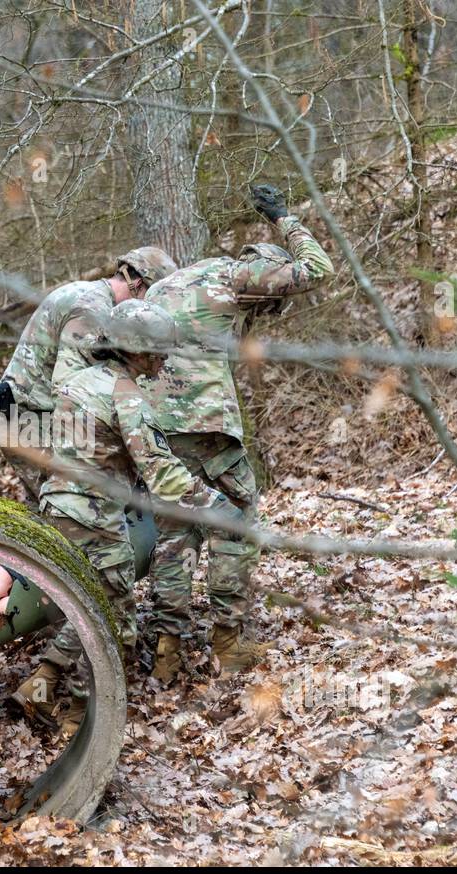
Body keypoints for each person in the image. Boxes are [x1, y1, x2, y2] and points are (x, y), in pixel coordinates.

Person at [10, 299, 242, 736]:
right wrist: (215, 504)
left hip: (56, 507)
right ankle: (79, 721)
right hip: (95, 519)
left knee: (84, 607)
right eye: (159, 350)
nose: (165, 358)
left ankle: (42, 685)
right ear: (137, 350)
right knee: (111, 624)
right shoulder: (126, 396)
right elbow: (161, 472)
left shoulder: (77, 383)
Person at [142, 183, 334, 681]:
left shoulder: (173, 284)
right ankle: (227, 643)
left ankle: (166, 651)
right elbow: (318, 269)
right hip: (202, 424)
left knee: (175, 534)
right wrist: (285, 219)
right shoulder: (244, 274)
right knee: (237, 520)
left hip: (153, 428)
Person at [0, 247, 178, 500]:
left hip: (32, 415)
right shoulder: (92, 310)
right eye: (152, 299)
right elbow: (72, 392)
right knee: (70, 509)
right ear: (138, 285)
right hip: (30, 419)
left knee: (52, 511)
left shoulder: (92, 296)